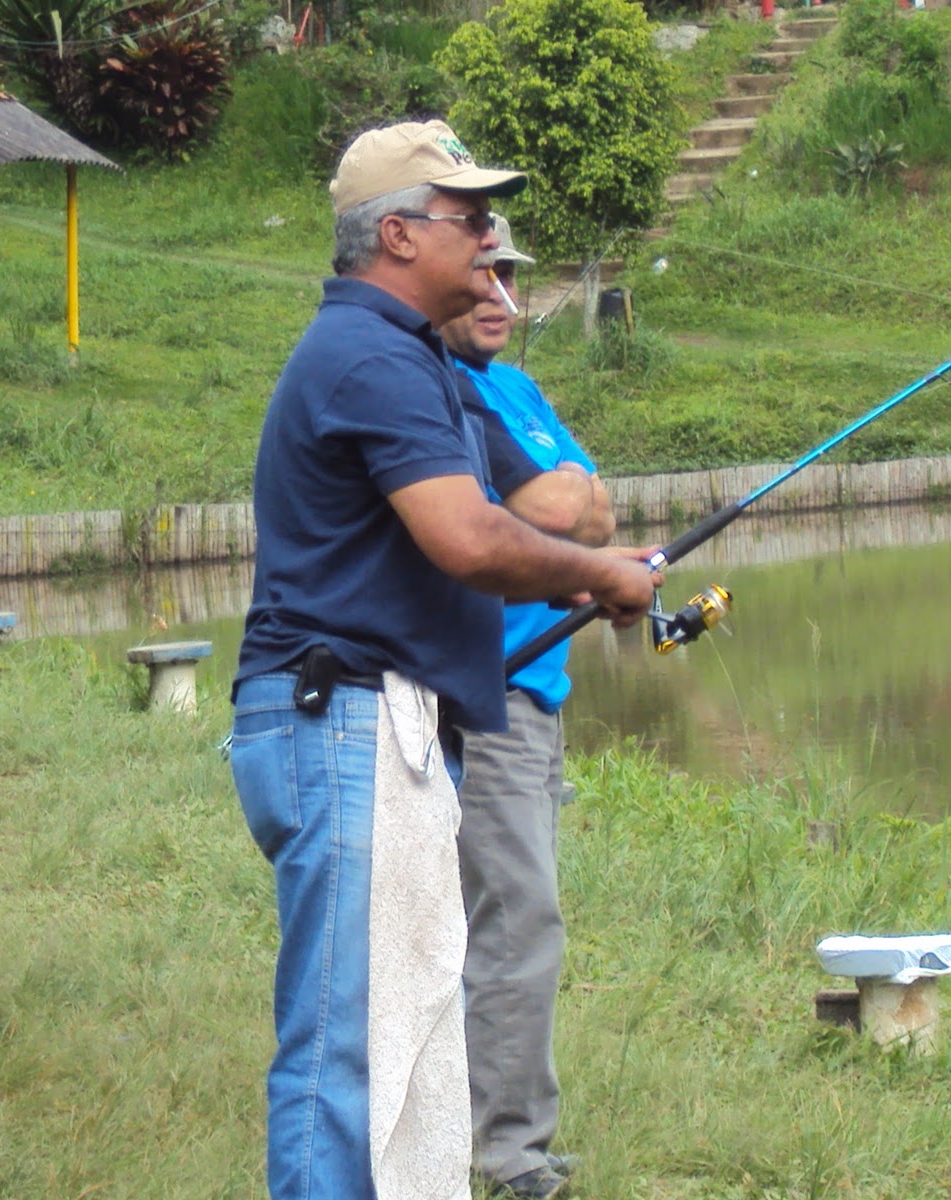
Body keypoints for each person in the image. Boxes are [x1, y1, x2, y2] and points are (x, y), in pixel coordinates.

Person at [229, 120, 660, 1200]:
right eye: (466, 219)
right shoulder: (368, 354)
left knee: (412, 1023)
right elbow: (468, 539)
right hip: (342, 721)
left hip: (392, 723)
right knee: (347, 1039)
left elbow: (460, 542)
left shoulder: (413, 359)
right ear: (395, 234)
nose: (487, 241)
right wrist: (601, 575)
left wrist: (564, 570)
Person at [441, 216, 612, 1200]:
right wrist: (562, 505)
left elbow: (592, 504)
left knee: (515, 915)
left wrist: (569, 504)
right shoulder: (446, 388)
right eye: (485, 275)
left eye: (511, 275)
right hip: (487, 693)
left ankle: (511, 1138)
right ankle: (506, 1157)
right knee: (517, 917)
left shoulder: (519, 387)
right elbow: (538, 515)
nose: (502, 296)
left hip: (542, 688)